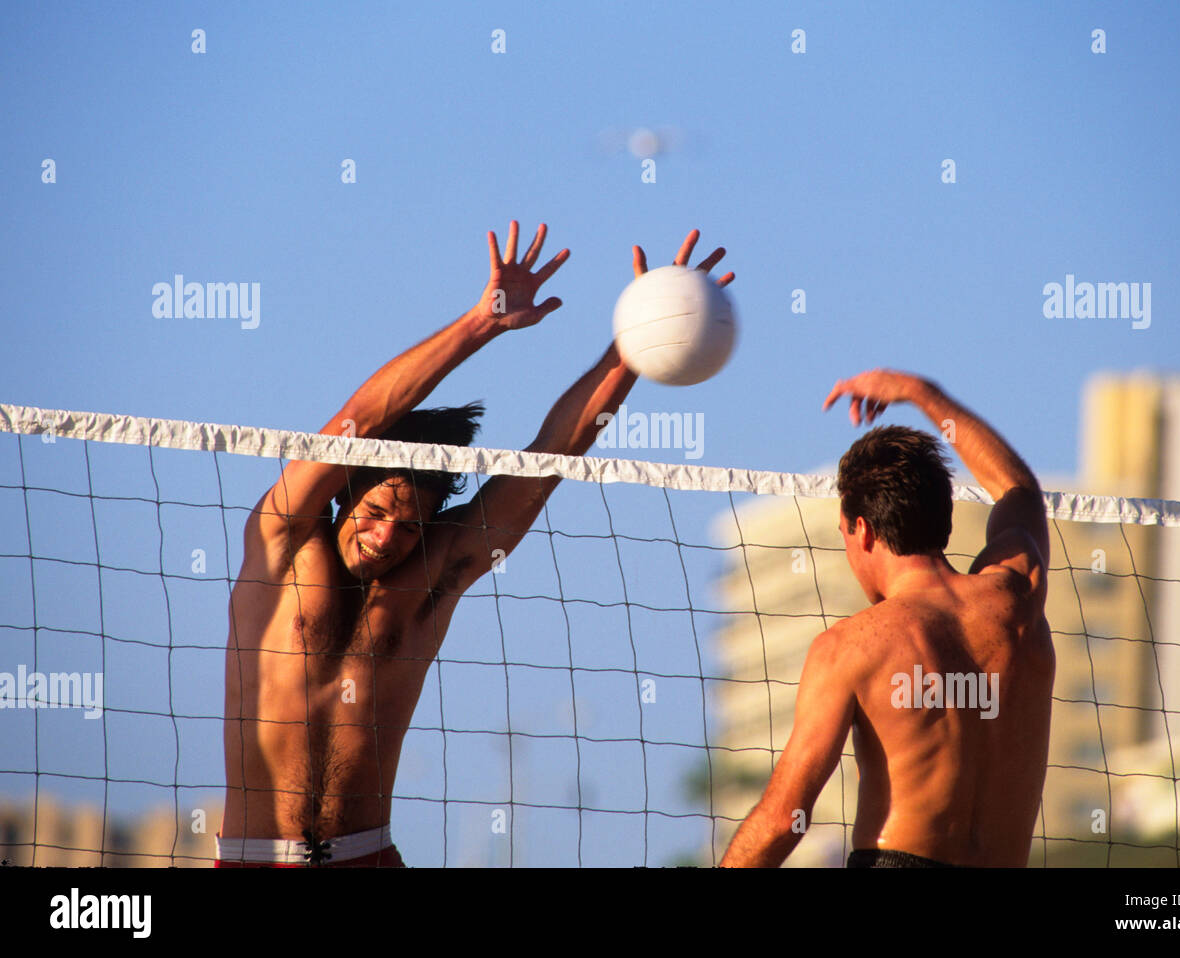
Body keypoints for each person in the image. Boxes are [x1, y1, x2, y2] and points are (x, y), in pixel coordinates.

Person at [217, 222, 733, 866]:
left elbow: (554, 454)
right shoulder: (282, 536)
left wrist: (635, 346)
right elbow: (362, 416)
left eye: (410, 527)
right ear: (346, 489)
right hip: (252, 857)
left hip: (366, 856)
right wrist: (482, 324)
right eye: (376, 512)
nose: (386, 540)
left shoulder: (432, 576)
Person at [720, 369, 1054, 867]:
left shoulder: (851, 648)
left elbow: (782, 818)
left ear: (863, 529)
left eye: (843, 534)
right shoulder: (1018, 594)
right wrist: (922, 393)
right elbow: (1018, 491)